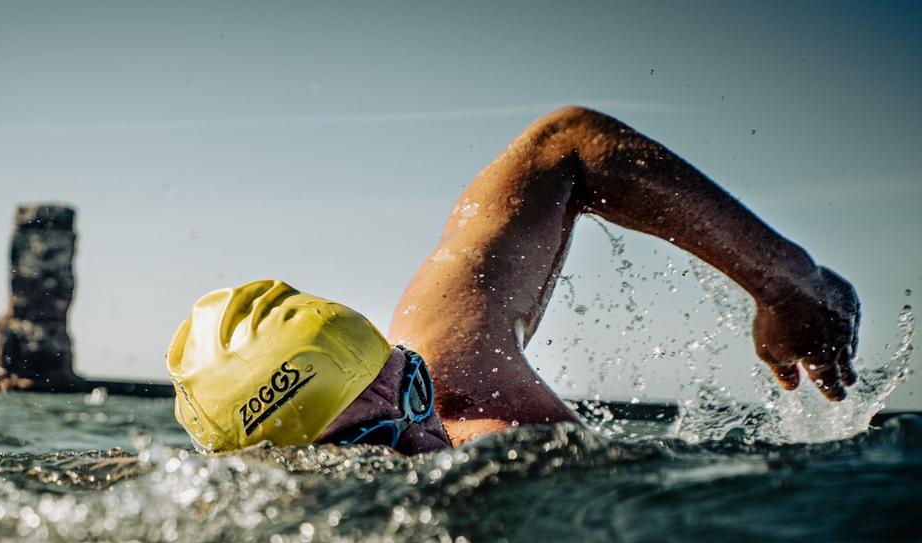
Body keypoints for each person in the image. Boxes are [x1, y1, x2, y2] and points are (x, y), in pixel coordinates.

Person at [166, 106, 861, 455]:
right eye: (370, 441)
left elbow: (566, 146)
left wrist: (787, 282)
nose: (430, 436)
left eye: (410, 386)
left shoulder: (461, 374)